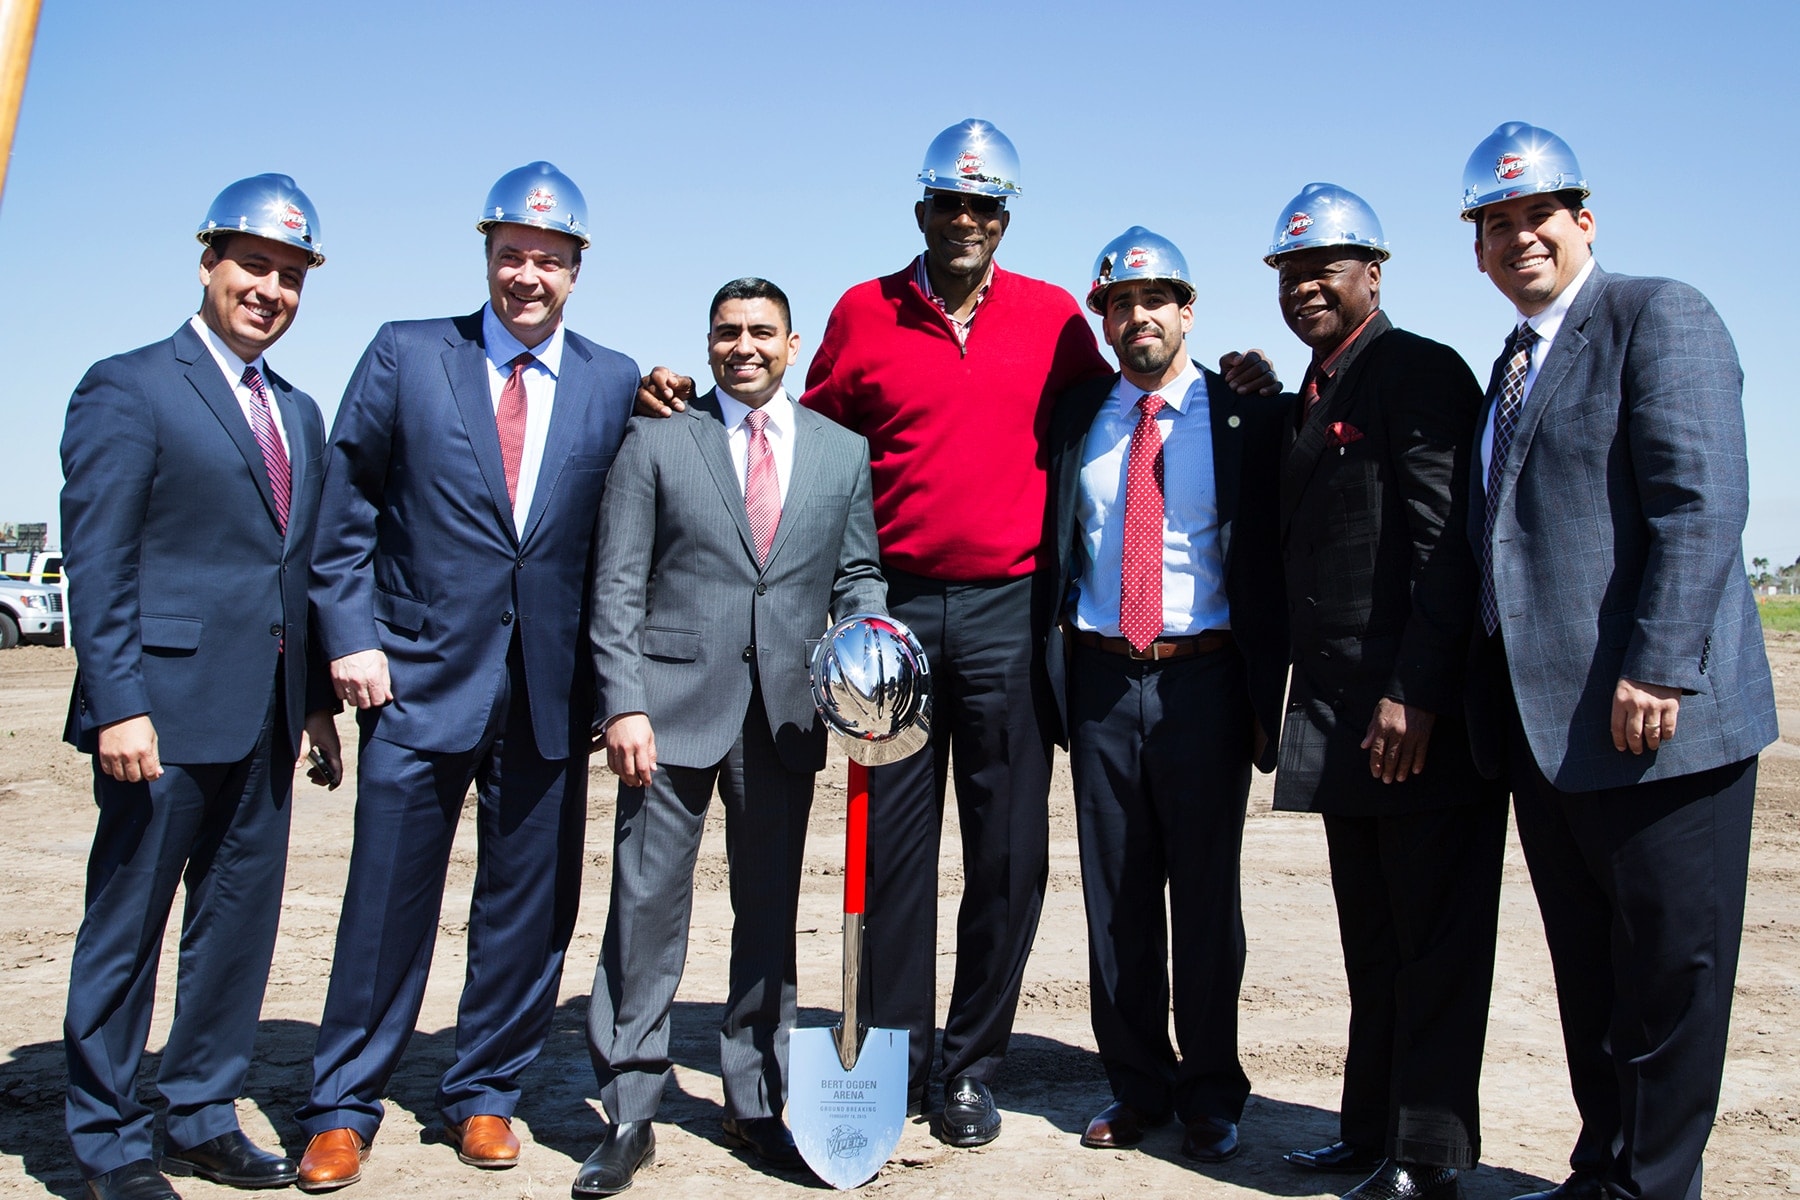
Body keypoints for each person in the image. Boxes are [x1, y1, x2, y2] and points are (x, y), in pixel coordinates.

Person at [637, 119, 1276, 1144]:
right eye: (950, 203)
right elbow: (792, 435)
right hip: (892, 616)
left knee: (1009, 855)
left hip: (1012, 614)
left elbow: (1126, 400)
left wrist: (1244, 379)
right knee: (891, 855)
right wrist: (682, 403)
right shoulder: (860, 312)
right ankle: (895, 1054)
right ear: (922, 210)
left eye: (986, 206)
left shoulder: (1058, 320)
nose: (967, 219)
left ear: (1005, 217)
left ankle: (969, 1067)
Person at [296, 162, 638, 1192]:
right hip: (411, 680)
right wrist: (348, 637)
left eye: (548, 258)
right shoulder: (408, 355)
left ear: (578, 269)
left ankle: (486, 1093)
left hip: (546, 693)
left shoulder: (613, 381)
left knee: (527, 911)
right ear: (487, 254)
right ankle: (343, 1106)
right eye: (511, 254)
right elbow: (344, 504)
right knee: (385, 902)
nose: (527, 274)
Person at [1459, 123, 1777, 1200]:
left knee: (1668, 985)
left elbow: (1701, 507)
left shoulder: (1657, 316)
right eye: (1495, 225)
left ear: (1583, 221)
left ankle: (1652, 1188)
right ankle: (1604, 1172)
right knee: (1593, 982)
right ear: (1477, 249)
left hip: (1659, 732)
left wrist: (1658, 668)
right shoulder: (1511, 361)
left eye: (1537, 215)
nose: (1519, 238)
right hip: (1553, 739)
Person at [572, 278, 887, 1196]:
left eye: (761, 332)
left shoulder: (841, 452)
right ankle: (631, 1108)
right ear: (707, 343)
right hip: (666, 715)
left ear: (792, 346)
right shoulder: (657, 441)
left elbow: (859, 574)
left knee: (769, 916)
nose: (742, 346)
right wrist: (622, 702)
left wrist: (869, 655)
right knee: (644, 911)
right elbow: (617, 584)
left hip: (787, 717)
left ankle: (756, 1097)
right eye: (726, 332)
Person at [59, 174, 340, 1200]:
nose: (271, 290)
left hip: (263, 720)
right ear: (209, 263)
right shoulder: (129, 386)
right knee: (126, 930)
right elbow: (100, 562)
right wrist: (120, 700)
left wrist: (310, 701)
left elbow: (296, 572)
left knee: (234, 929)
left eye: (292, 276)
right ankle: (105, 1139)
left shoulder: (298, 415)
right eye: (255, 267)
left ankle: (200, 1111)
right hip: (161, 718)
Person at [1263, 184, 1507, 1200]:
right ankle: (1369, 1133)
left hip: (1416, 718)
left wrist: (1417, 692)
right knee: (1372, 940)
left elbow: (1449, 548)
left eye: (1329, 266)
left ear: (1375, 271)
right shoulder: (1315, 389)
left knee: (1434, 943)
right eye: (1290, 270)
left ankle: (1432, 1157)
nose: (1309, 284)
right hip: (1338, 711)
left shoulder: (1421, 374)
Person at [1044, 228, 1287, 1166]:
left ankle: (1213, 1092)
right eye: (1118, 302)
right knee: (1116, 897)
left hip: (1205, 679)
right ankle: (1136, 1086)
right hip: (1102, 675)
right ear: (1101, 318)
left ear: (1189, 311)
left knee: (1205, 900)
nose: (1136, 316)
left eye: (1157, 300)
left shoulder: (1244, 413)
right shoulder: (1074, 419)